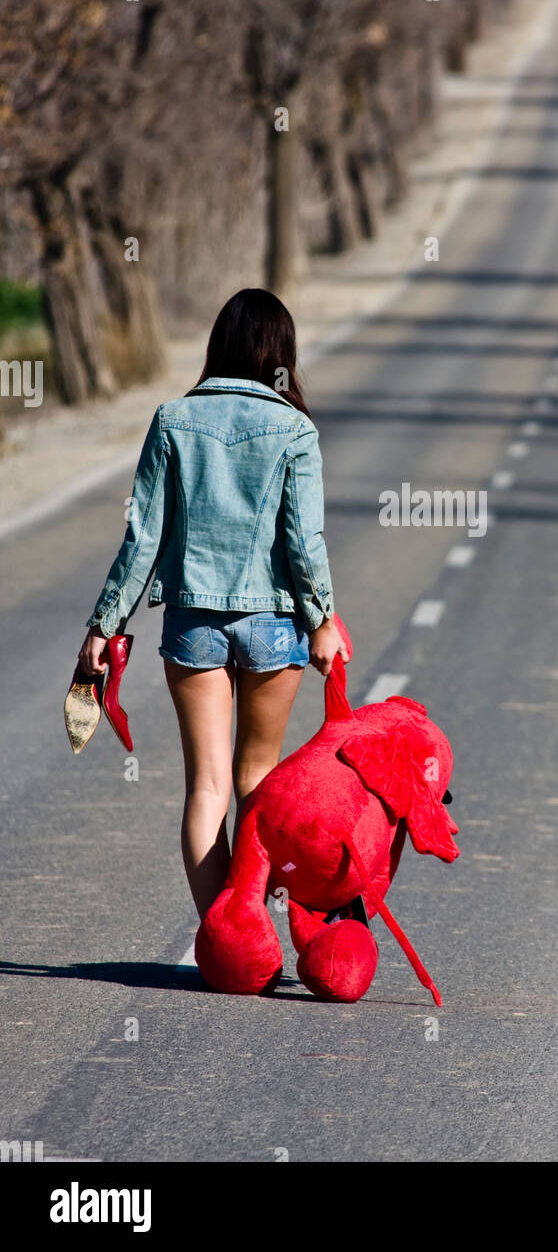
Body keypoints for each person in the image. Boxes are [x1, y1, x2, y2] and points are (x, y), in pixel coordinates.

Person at [76, 288, 349, 919]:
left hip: (193, 624)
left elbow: (143, 536)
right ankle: (252, 930)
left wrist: (104, 623)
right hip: (274, 627)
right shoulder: (295, 430)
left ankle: (225, 938)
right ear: (281, 355)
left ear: (217, 346)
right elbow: (303, 545)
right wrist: (324, 621)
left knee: (207, 787)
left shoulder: (173, 420)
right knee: (258, 780)